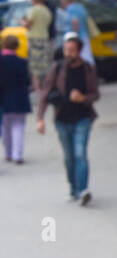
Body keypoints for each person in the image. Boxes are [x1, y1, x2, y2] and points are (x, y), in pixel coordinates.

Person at [36, 34, 100, 204]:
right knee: (69, 156)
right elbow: (45, 92)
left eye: (72, 51)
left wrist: (83, 98)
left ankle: (83, 190)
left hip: (82, 118)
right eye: (66, 50)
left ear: (79, 51)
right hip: (62, 119)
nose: (68, 54)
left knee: (80, 154)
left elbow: (95, 94)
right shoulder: (57, 68)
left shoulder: (88, 69)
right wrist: (40, 118)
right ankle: (73, 188)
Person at [0, 35, 32, 163]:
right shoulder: (22, 62)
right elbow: (26, 80)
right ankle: (17, 154)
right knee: (18, 126)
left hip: (3, 98)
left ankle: (8, 153)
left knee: (5, 127)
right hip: (19, 98)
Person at [21, 0, 53, 87]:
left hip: (34, 39)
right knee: (44, 65)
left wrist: (23, 23)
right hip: (44, 38)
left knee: (34, 67)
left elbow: (28, 24)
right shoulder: (47, 10)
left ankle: (37, 88)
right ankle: (45, 87)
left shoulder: (34, 10)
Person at [56, 0, 95, 66]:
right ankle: (90, 72)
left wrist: (74, 37)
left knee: (78, 56)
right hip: (84, 36)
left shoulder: (70, 8)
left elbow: (75, 21)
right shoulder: (80, 7)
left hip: (76, 37)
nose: (61, 1)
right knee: (86, 56)